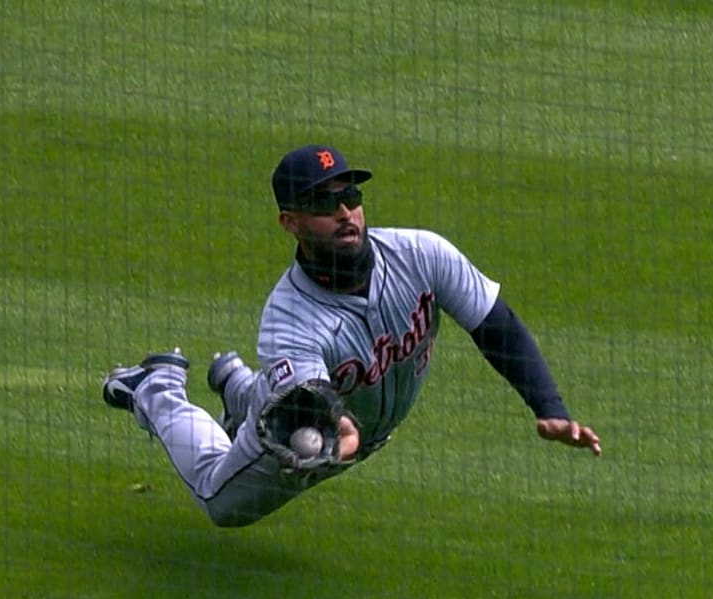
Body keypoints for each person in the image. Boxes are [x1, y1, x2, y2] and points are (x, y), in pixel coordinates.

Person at [101, 144, 600, 527]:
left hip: (336, 414)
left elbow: (497, 325)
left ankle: (240, 387)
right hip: (312, 425)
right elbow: (313, 408)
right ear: (290, 222)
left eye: (350, 196)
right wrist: (339, 435)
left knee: (283, 395)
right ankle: (157, 388)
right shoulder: (289, 322)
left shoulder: (422, 254)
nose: (344, 212)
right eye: (324, 202)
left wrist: (549, 407)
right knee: (218, 500)